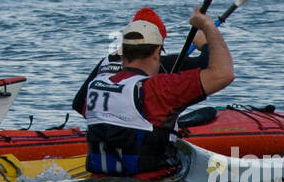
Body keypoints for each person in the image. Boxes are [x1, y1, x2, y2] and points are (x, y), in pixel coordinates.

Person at [82, 9, 234, 178]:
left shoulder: (96, 85)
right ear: (156, 52)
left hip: (102, 178)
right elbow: (223, 74)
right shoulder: (160, 89)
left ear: (122, 52)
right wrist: (208, 26)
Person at [71, 7, 207, 113]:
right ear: (157, 47)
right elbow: (208, 65)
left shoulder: (106, 61)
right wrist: (205, 42)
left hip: (103, 135)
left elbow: (78, 104)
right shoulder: (164, 64)